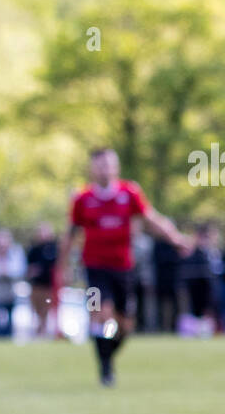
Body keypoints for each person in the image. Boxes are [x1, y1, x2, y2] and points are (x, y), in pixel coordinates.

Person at [59, 147, 191, 385]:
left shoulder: (129, 193)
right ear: (92, 169)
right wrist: (62, 267)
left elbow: (151, 219)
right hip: (94, 268)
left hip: (123, 268)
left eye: (109, 164)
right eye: (100, 165)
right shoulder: (82, 199)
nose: (105, 169)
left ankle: (108, 356)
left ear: (116, 167)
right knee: (100, 314)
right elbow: (70, 234)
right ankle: (106, 369)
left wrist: (176, 239)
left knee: (126, 324)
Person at [24, 222, 59, 339]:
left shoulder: (54, 248)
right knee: (37, 309)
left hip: (49, 286)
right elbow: (28, 267)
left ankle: (45, 330)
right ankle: (39, 330)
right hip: (36, 285)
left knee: (46, 309)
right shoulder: (33, 249)